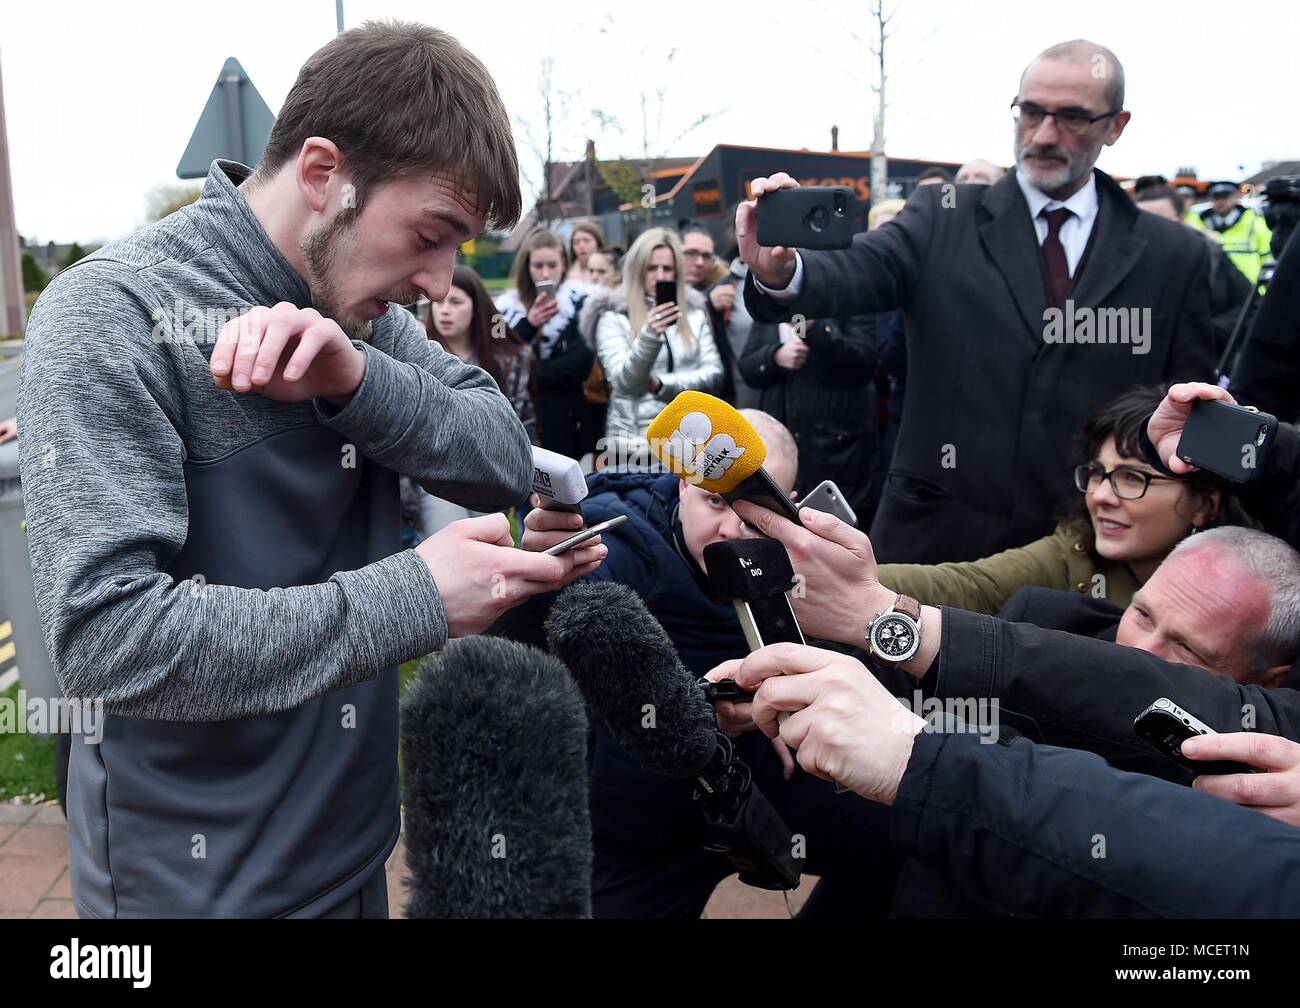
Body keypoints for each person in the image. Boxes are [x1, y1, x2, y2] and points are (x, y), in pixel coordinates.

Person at [16, 21, 601, 920]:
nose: (442, 285)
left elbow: (498, 454)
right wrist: (415, 598)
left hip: (356, 850)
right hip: (195, 888)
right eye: (432, 234)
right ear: (326, 174)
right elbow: (107, 640)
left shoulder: (363, 318)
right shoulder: (110, 313)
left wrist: (356, 382)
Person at [740, 39, 1216, 565]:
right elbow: (860, 267)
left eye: (1073, 117)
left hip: (1089, 558)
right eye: (1031, 111)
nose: (1044, 134)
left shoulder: (1176, 256)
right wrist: (783, 270)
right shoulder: (942, 217)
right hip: (938, 549)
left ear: (1116, 126)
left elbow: (1181, 416)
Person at [516, 411, 906, 918]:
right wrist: (541, 570)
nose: (729, 529)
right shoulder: (615, 544)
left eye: (753, 513)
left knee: (906, 839)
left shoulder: (797, 561)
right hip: (640, 817)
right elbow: (541, 617)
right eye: (715, 499)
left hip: (761, 779)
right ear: (683, 484)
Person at [878, 387, 1227, 614]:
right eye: (1097, 473)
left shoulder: (1243, 591)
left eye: (1131, 478)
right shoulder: (1075, 550)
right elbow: (970, 585)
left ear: (1205, 504)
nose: (1101, 495)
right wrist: (848, 574)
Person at [406, 264, 540, 538]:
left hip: (490, 473)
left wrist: (534, 479)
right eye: (439, 302)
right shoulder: (414, 356)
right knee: (447, 551)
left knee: (491, 551)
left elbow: (525, 427)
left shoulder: (508, 361)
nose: (444, 310)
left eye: (456, 302)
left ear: (476, 307)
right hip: (433, 476)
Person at [580, 227, 723, 467]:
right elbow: (624, 383)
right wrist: (650, 334)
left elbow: (714, 374)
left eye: (667, 269)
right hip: (632, 448)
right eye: (651, 268)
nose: (659, 276)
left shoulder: (694, 313)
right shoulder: (613, 315)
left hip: (688, 444)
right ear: (637, 270)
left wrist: (661, 385)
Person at [738, 313, 881, 526]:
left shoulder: (851, 297)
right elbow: (748, 366)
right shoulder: (770, 308)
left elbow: (864, 363)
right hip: (785, 443)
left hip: (838, 449)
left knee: (839, 527)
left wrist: (814, 329)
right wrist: (775, 356)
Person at [495, 227, 594, 459]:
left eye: (552, 265)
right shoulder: (504, 307)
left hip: (568, 418)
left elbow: (579, 365)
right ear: (526, 266)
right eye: (538, 266)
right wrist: (528, 325)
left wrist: (527, 372)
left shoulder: (583, 302)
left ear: (564, 265)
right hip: (518, 417)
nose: (545, 273)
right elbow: (497, 351)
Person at [1134, 185, 1252, 358]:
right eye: (1144, 221)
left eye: (1161, 221)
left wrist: (1205, 333)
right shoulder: (1120, 261)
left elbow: (1248, 306)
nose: (1152, 229)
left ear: (1181, 219)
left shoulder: (1209, 255)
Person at [681, 223, 738, 403]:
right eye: (690, 253)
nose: (699, 263)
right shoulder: (657, 289)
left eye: (707, 256)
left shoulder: (727, 283)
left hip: (721, 393)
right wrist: (708, 305)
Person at [1187, 180, 1274, 286]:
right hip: (1212, 289)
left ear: (1235, 198)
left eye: (1225, 197)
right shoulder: (1198, 224)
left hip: (1249, 289)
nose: (1220, 201)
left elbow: (1268, 258)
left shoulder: (1254, 221)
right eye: (1216, 197)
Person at [567, 221, 604, 286]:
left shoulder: (609, 270)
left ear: (597, 243)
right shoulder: (567, 273)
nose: (581, 246)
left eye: (586, 241)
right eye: (576, 242)